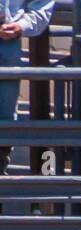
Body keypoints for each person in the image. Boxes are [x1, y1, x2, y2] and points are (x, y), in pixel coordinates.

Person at [0, 0, 54, 174]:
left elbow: (41, 7)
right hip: (7, 51)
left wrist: (20, 26)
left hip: (6, 49)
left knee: (3, 126)